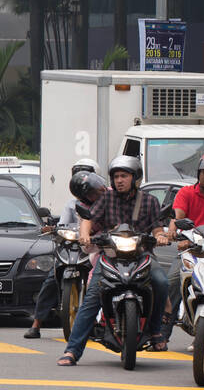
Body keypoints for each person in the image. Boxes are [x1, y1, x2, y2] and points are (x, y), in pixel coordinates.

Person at [58, 154, 169, 365]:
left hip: (142, 255)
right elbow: (89, 219)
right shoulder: (105, 199)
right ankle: (72, 350)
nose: (119, 180)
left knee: (161, 282)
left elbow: (156, 227)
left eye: (124, 176)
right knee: (91, 298)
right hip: (110, 256)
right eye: (116, 176)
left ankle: (155, 332)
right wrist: (84, 234)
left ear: (135, 178)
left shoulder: (149, 201)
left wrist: (160, 236)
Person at [25, 168, 106, 338]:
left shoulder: (108, 200)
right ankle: (36, 323)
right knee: (52, 278)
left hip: (98, 247)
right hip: (74, 246)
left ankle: (100, 321)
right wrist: (55, 230)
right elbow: (63, 225)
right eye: (90, 192)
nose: (95, 193)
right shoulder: (73, 205)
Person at [163, 151, 204, 342]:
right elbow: (177, 218)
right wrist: (173, 233)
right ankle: (162, 335)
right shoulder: (186, 193)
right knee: (171, 283)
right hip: (190, 250)